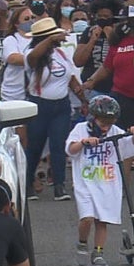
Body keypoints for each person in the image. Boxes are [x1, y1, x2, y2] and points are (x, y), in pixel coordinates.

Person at [65, 96, 134, 266]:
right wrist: (83, 142)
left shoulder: (114, 131)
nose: (106, 127)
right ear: (93, 118)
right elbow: (70, 149)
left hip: (106, 183)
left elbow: (129, 146)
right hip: (86, 182)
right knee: (87, 218)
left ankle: (98, 252)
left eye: (109, 123)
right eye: (102, 123)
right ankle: (82, 242)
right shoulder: (81, 129)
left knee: (102, 220)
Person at [25, 18, 88, 201]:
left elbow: (70, 78)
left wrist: (83, 99)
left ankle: (59, 186)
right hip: (39, 105)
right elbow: (33, 58)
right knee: (35, 147)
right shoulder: (31, 54)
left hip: (61, 105)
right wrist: (50, 39)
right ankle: (28, 183)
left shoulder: (60, 53)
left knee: (59, 146)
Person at [83, 6, 134, 175]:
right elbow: (107, 67)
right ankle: (122, 179)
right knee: (124, 138)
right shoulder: (117, 44)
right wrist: (91, 80)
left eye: (127, 22)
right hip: (122, 95)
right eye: (120, 22)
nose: (123, 25)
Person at [75, 0, 122, 101]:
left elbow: (122, 56)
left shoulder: (120, 33)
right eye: (99, 16)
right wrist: (92, 40)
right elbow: (78, 61)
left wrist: (111, 36)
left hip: (115, 88)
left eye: (106, 17)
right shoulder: (88, 32)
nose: (102, 20)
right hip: (93, 89)